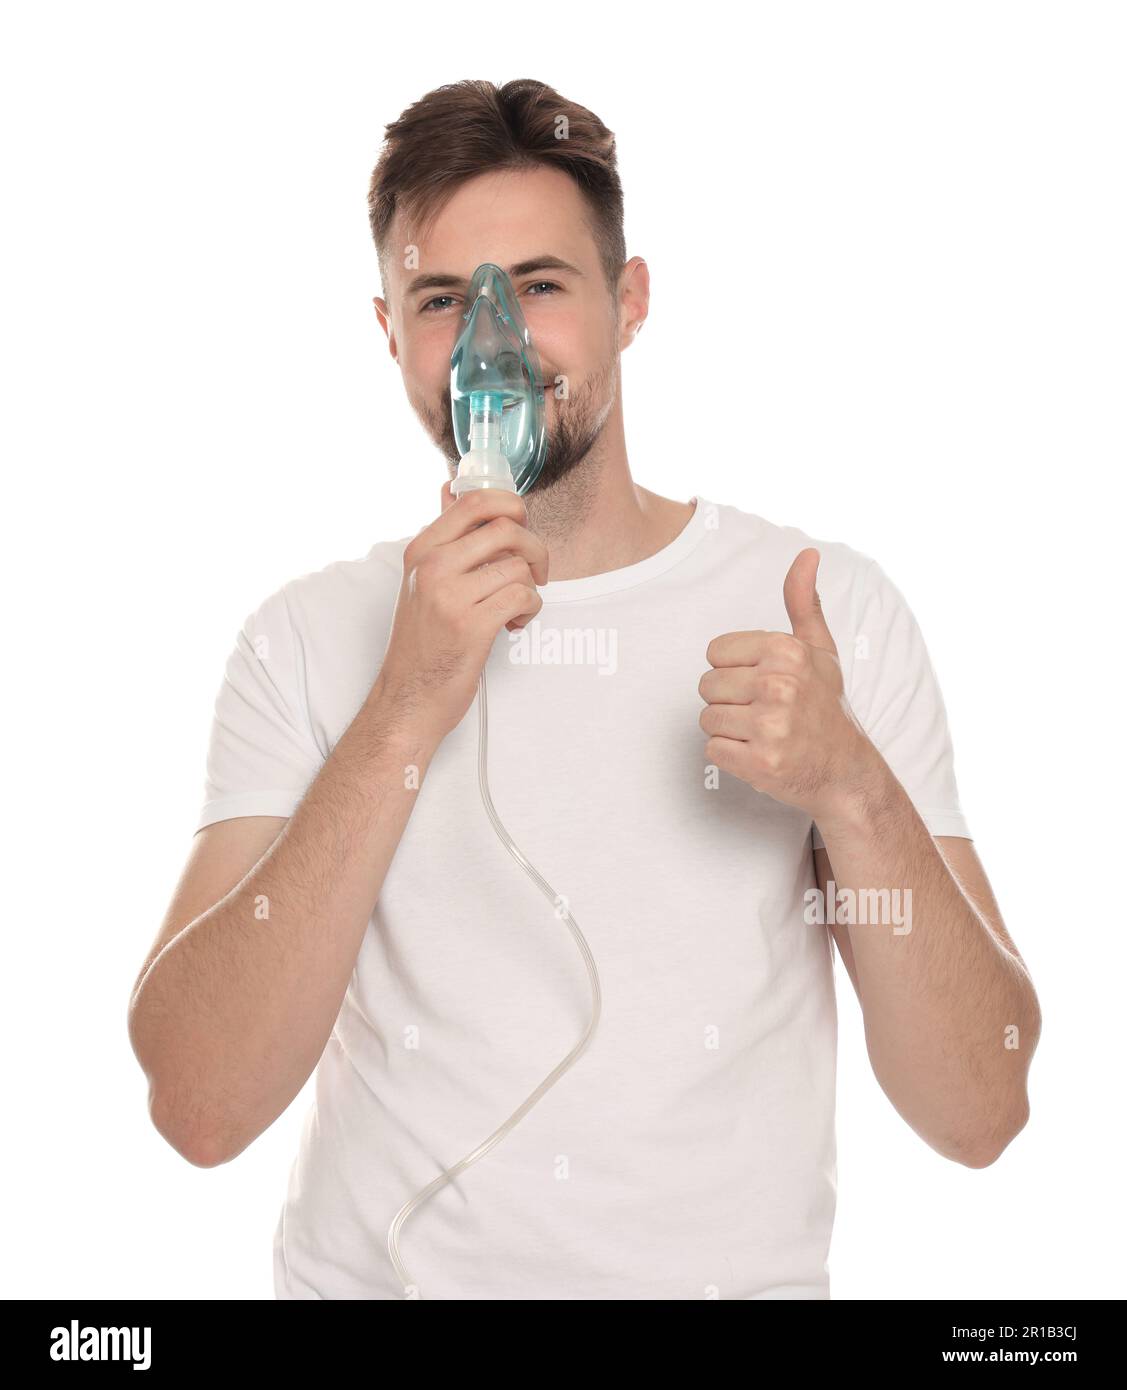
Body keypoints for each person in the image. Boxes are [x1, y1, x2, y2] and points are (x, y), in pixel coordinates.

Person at [127, 78, 1040, 1301]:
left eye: (542, 285)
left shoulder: (814, 608)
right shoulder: (305, 638)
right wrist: (405, 700)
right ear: (390, 330)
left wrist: (847, 786)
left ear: (630, 302)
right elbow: (198, 1104)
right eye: (444, 298)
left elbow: (979, 1109)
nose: (492, 338)